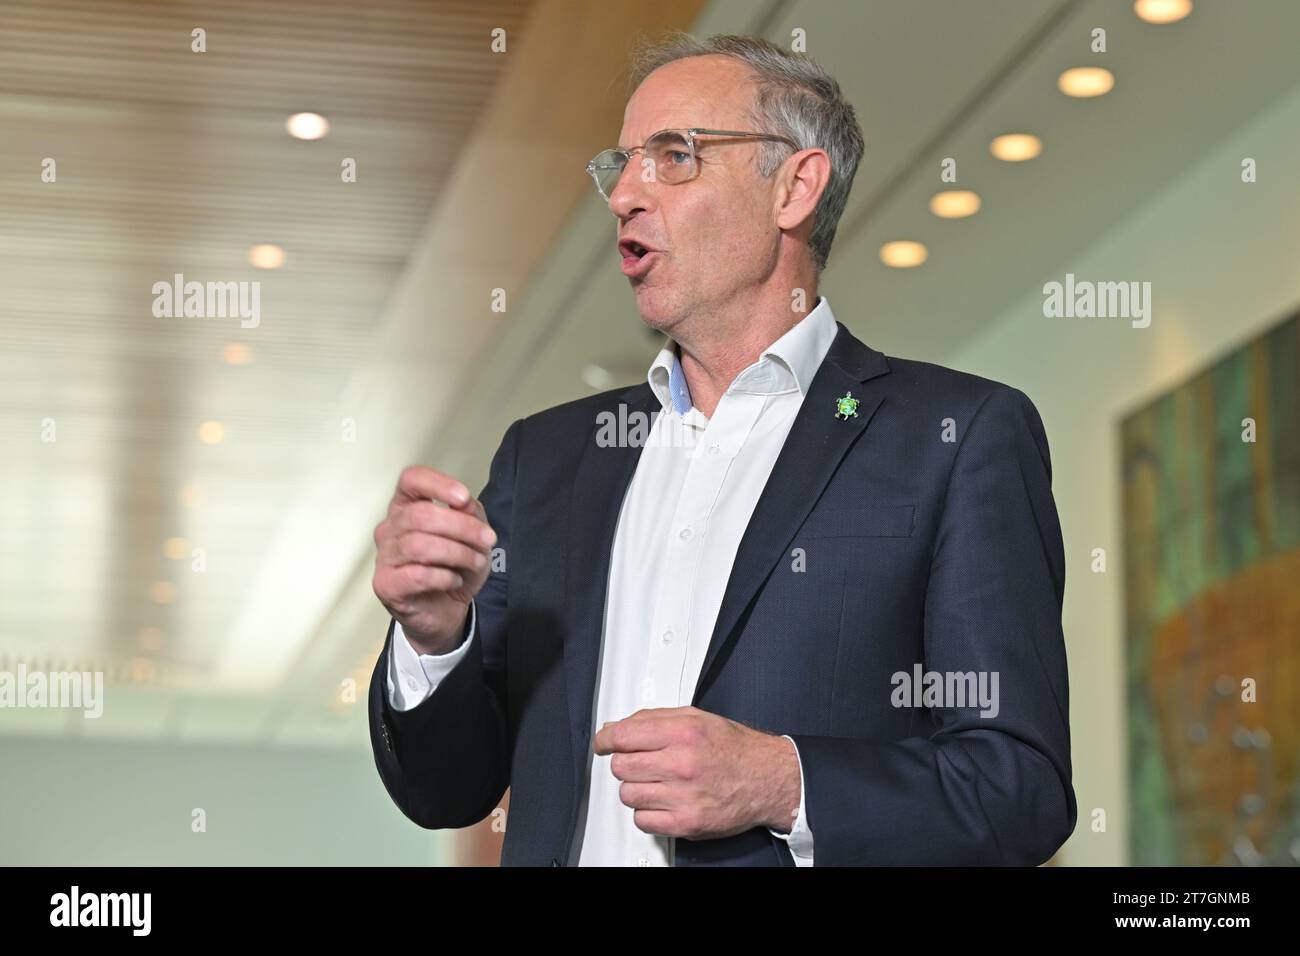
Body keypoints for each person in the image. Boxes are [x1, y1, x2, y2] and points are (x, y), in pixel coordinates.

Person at [368, 32, 1076, 866]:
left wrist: (785, 781)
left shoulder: (956, 439)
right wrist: (432, 636)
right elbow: (445, 791)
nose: (626, 193)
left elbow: (1018, 790)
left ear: (794, 188)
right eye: (622, 164)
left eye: (674, 156)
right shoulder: (547, 458)